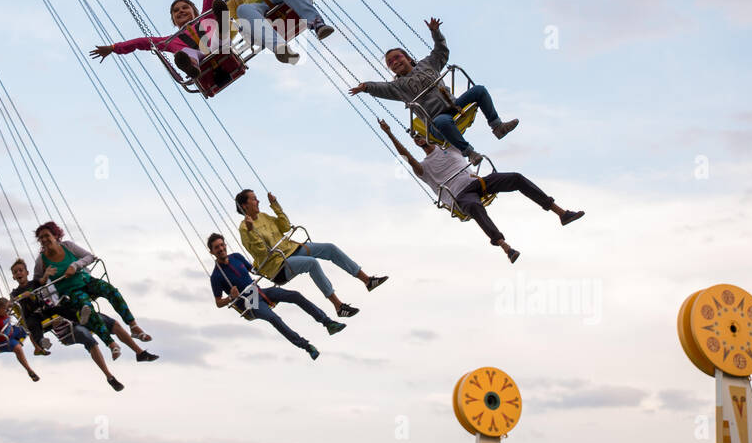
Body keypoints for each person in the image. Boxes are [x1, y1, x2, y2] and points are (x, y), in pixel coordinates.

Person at [379, 118, 584, 263]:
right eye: (415, 139)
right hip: (461, 196)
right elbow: (406, 156)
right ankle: (505, 247)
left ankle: (561, 213)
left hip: (478, 182)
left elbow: (450, 129)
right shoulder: (423, 168)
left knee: (515, 178)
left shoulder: (450, 148)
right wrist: (389, 133)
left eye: (421, 135)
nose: (419, 139)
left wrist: (432, 119)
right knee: (475, 207)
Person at [350, 18, 517, 166]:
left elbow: (441, 51)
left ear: (407, 58)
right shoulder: (397, 87)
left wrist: (435, 32)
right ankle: (470, 153)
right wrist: (365, 87)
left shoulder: (428, 64)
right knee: (443, 122)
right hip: (436, 120)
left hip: (454, 105)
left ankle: (497, 126)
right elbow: (381, 88)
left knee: (479, 90)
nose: (394, 62)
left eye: (397, 57)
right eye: (390, 63)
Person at [90, 0, 235, 87]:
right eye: (176, 11)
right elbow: (142, 42)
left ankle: (222, 22)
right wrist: (114, 47)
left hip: (220, 46)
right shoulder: (170, 41)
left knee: (216, 31)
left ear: (194, 11)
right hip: (198, 58)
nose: (181, 11)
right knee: (186, 52)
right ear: (173, 20)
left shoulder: (205, 17)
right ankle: (190, 66)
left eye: (185, 7)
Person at [236, 190, 386, 318]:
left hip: (291, 249)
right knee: (312, 263)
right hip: (277, 266)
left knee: (330, 248)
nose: (258, 201)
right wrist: (251, 230)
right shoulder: (244, 229)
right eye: (254, 199)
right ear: (245, 205)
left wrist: (276, 206)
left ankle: (367, 281)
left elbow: (286, 227)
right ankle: (339, 306)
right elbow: (261, 254)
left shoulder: (264, 216)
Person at [29, 225, 159, 362]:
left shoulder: (68, 246)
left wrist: (75, 265)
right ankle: (110, 343)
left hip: (86, 281)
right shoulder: (41, 260)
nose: (44, 239)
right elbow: (36, 284)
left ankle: (133, 326)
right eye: (41, 238)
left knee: (110, 290)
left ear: (55, 236)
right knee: (86, 308)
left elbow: (89, 257)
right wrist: (45, 276)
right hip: (71, 291)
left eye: (46, 236)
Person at [208, 233, 345, 360]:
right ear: (212, 252)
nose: (220, 249)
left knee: (295, 296)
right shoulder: (217, 275)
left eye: (221, 245)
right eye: (216, 248)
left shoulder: (236, 257)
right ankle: (306, 346)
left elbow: (254, 269)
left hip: (258, 290)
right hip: (248, 301)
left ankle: (327, 323)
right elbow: (218, 302)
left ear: (225, 245)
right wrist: (231, 298)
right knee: (273, 318)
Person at [8, 262, 128, 392]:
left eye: (21, 270)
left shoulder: (35, 283)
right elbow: (12, 301)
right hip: (34, 316)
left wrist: (47, 274)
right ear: (13, 277)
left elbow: (42, 282)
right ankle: (42, 342)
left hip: (46, 310)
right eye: (15, 272)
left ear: (27, 272)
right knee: (33, 325)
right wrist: (15, 301)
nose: (18, 273)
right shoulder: (15, 292)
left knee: (59, 309)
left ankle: (79, 316)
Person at [0, 298, 42, 382]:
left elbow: (12, 303)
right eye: (5, 309)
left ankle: (37, 348)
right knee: (18, 348)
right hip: (3, 340)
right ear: (0, 309)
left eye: (8, 308)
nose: (8, 311)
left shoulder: (6, 312)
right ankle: (29, 370)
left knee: (28, 329)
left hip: (11, 333)